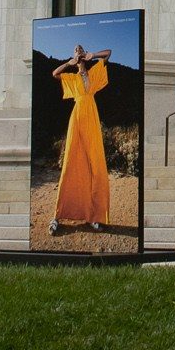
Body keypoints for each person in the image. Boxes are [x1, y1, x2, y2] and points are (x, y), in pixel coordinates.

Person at [48, 45, 112, 236]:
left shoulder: (94, 74)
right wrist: (69, 62)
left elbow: (108, 53)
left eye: (80, 49)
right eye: (75, 50)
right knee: (71, 164)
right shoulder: (73, 77)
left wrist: (92, 55)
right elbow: (55, 73)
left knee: (96, 165)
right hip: (76, 119)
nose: (78, 51)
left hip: (91, 118)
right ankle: (58, 215)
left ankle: (94, 216)